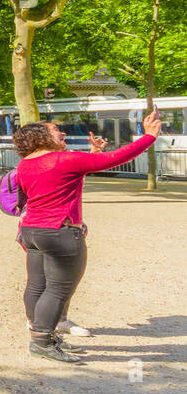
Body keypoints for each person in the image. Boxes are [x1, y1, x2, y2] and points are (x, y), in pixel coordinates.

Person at [12, 111, 160, 362]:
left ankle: (41, 335)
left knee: (37, 285)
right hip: (60, 232)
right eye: (55, 130)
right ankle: (42, 342)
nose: (62, 133)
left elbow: (61, 183)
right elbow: (116, 158)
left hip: (31, 231)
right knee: (58, 289)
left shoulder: (25, 164)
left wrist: (92, 155)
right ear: (41, 137)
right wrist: (149, 136)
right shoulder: (63, 159)